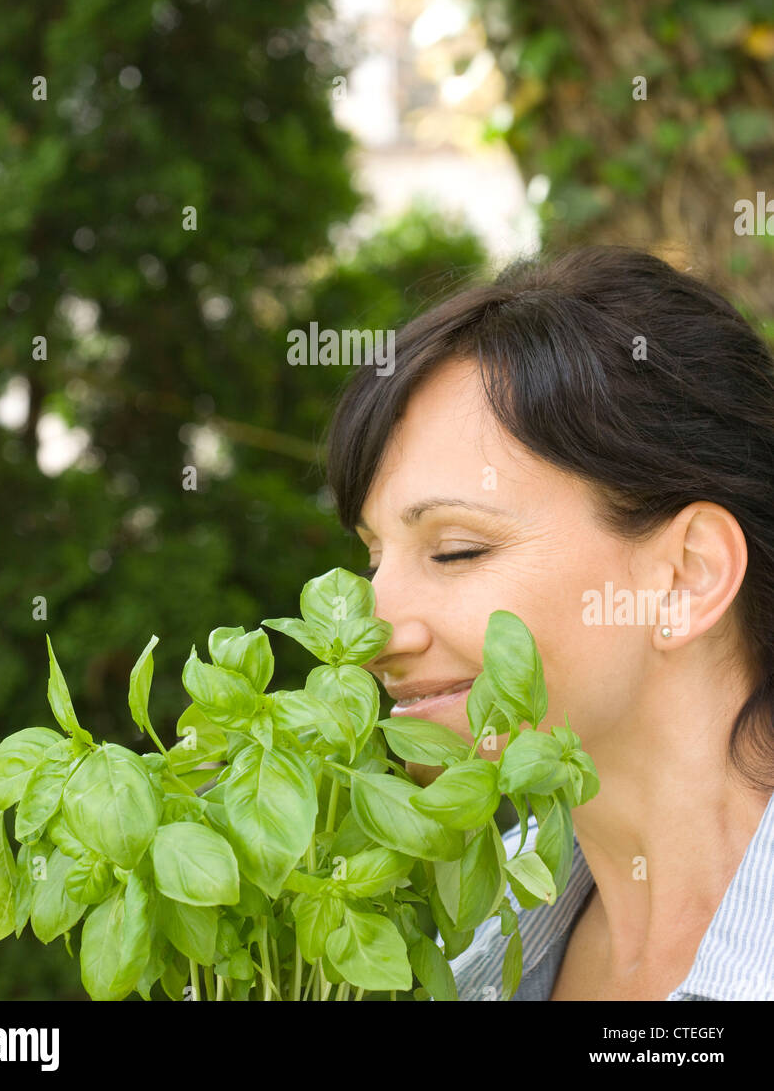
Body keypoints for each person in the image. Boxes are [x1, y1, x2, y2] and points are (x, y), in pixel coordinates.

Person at [325, 245, 774, 1001]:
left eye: (457, 550)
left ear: (687, 576)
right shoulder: (457, 952)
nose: (368, 632)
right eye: (375, 557)